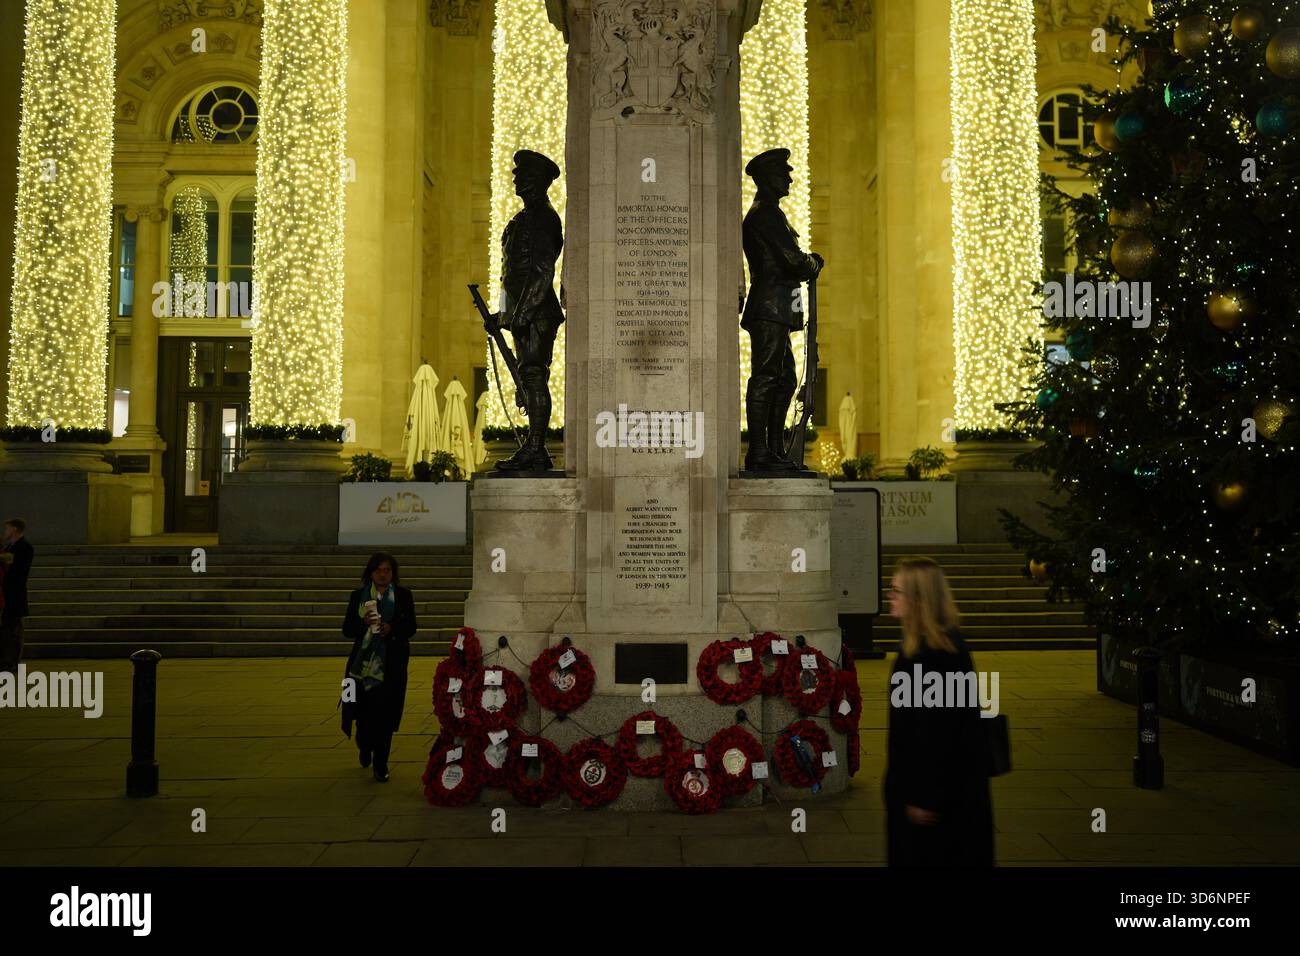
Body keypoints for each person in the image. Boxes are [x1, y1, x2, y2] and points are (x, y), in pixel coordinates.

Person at [884, 557, 994, 866]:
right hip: (941, 797)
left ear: (919, 600)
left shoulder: (932, 656)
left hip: (935, 805)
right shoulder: (936, 648)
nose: (890, 597)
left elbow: (940, 735)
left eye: (897, 591)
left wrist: (922, 797)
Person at [740, 147, 824, 472]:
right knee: (767, 376)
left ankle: (774, 449)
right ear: (769, 177)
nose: (789, 177)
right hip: (769, 306)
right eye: (783, 172)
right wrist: (813, 263)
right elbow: (793, 260)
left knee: (785, 377)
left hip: (779, 308)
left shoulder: (772, 212)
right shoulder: (765, 214)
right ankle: (759, 451)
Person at [491, 148, 565, 473]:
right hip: (523, 313)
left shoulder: (543, 218)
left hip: (537, 313)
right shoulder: (522, 219)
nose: (515, 178)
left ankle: (536, 448)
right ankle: (535, 449)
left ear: (535, 181)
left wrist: (521, 314)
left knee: (534, 376)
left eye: (521, 175)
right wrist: (502, 314)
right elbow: (509, 275)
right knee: (528, 376)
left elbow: (541, 271)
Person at [340, 552, 415, 782]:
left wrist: (392, 629)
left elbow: (411, 627)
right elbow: (347, 630)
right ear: (370, 573)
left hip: (391, 667)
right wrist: (362, 622)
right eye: (379, 570)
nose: (383, 575)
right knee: (361, 713)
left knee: (385, 715)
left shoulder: (403, 596)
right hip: (360, 668)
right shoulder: (357, 597)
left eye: (387, 570)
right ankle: (364, 745)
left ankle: (381, 764)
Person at [0, 518, 34, 674]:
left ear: (14, 529)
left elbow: (17, 569)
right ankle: (6, 660)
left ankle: (11, 661)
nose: (4, 532)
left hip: (15, 593)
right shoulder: (9, 546)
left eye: (7, 529)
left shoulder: (24, 547)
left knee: (13, 629)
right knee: (8, 627)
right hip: (7, 593)